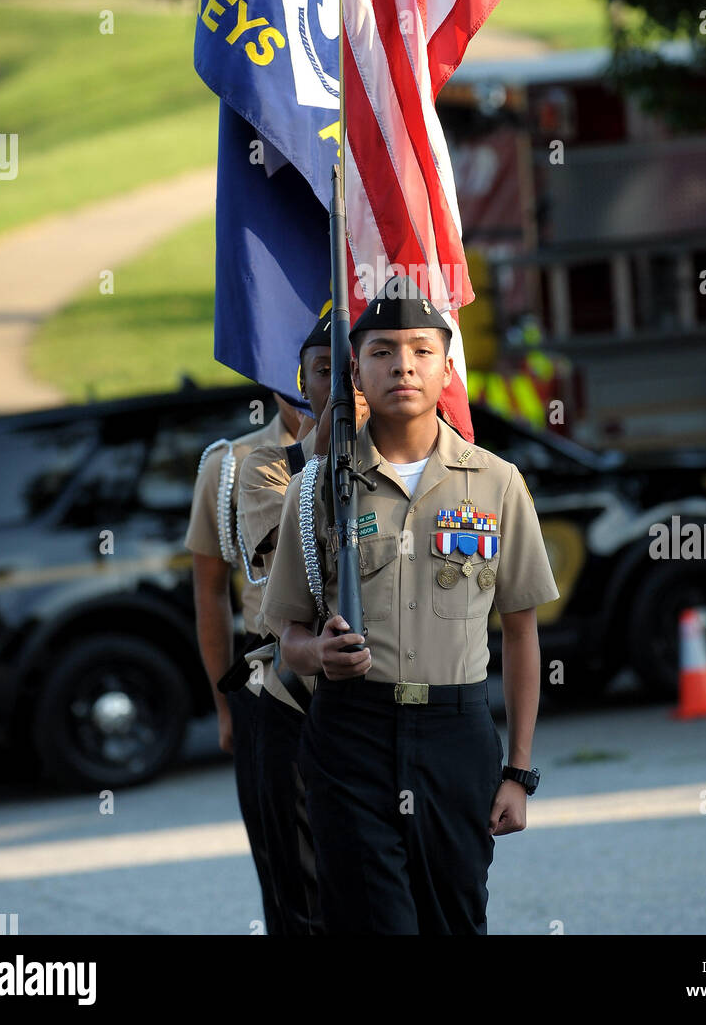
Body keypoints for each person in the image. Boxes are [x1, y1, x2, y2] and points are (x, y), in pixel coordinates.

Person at [261, 275, 560, 935]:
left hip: (457, 736)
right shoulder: (318, 489)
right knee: (375, 922)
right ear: (357, 374)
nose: (404, 365)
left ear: (447, 366)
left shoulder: (496, 482)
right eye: (383, 351)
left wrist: (518, 770)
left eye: (422, 350)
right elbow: (287, 633)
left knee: (455, 919)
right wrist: (319, 655)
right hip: (351, 736)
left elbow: (519, 632)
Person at [235, 314, 367, 935]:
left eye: (351, 371)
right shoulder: (264, 465)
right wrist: (325, 448)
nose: (343, 385)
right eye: (324, 373)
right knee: (304, 890)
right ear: (298, 386)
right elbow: (284, 541)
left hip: (382, 690)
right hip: (296, 692)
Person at [186, 383, 303, 934]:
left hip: (368, 674)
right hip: (270, 678)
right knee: (287, 870)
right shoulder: (230, 465)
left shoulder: (388, 452)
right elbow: (210, 591)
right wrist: (225, 704)